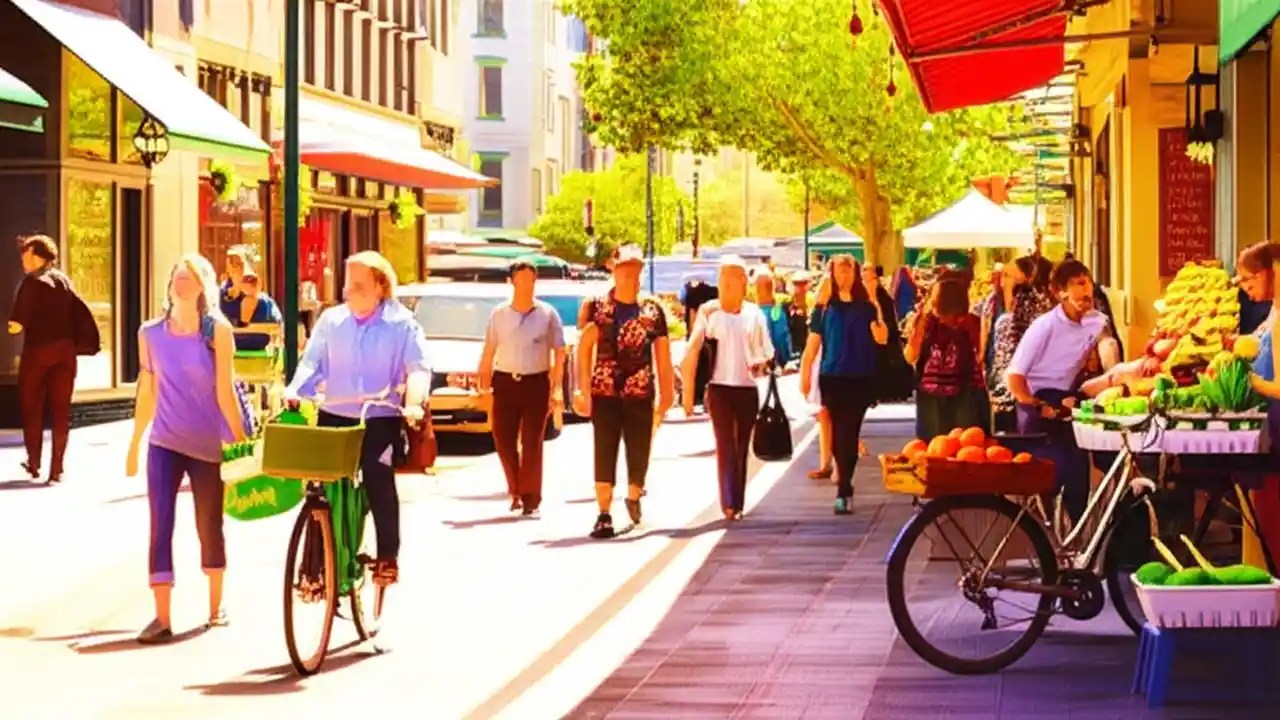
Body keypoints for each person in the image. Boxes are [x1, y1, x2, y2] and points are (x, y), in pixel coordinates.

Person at [286, 251, 430, 590]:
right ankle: (314, 567)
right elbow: (311, 363)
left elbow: (418, 369)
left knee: (379, 476)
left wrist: (412, 404)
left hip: (379, 419)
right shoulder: (332, 320)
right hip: (334, 414)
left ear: (380, 286)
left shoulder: (402, 323)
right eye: (347, 285)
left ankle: (387, 558)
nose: (349, 293)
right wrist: (295, 390)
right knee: (316, 486)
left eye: (358, 286)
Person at [124, 254, 247, 643]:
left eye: (190, 278)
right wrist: (134, 443)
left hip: (207, 445)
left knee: (209, 525)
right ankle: (161, 618)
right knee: (160, 525)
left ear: (203, 287)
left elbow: (225, 392)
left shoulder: (218, 332)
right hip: (164, 442)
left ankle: (215, 607)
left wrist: (242, 442)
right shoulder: (150, 333)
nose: (181, 283)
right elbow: (148, 390)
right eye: (177, 276)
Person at [574, 245, 675, 539]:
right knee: (604, 449)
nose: (631, 276)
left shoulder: (651, 311)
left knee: (639, 447)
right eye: (624, 270)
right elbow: (584, 347)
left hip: (640, 390)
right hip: (604, 390)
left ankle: (633, 496)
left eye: (636, 270)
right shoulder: (597, 307)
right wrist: (581, 388)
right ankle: (604, 512)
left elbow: (663, 352)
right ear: (613, 271)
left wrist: (668, 392)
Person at [1005, 259, 1117, 521]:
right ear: (1059, 293)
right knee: (1060, 471)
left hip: (1068, 400)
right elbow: (1015, 378)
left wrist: (1113, 376)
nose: (1085, 290)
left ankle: (1083, 533)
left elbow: (1106, 348)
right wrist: (1038, 406)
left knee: (1092, 463)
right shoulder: (1044, 326)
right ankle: (1054, 532)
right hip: (1037, 403)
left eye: (1088, 283)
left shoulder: (1098, 321)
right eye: (1077, 284)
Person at [681, 257, 773, 520]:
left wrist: (761, 366)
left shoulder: (753, 313)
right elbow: (694, 346)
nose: (723, 285)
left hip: (746, 388)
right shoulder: (709, 311)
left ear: (742, 282)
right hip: (719, 388)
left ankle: (739, 502)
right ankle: (728, 504)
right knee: (725, 445)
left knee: (741, 445)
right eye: (721, 279)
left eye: (729, 280)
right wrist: (688, 390)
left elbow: (764, 352)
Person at [799, 254, 889, 515]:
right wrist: (805, 373)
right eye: (840, 270)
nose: (844, 275)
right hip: (833, 377)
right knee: (839, 435)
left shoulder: (866, 307)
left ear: (856, 274)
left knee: (851, 432)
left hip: (860, 377)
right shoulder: (824, 309)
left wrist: (875, 302)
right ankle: (844, 489)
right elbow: (813, 344)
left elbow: (881, 338)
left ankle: (845, 484)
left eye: (849, 270)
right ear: (832, 275)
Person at [477, 260, 566, 517]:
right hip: (505, 381)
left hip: (536, 382)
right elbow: (489, 349)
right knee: (503, 439)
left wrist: (557, 387)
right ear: (512, 282)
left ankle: (530, 497)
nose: (526, 284)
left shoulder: (548, 314)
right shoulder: (499, 314)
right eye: (521, 279)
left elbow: (559, 352)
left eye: (531, 279)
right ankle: (515, 488)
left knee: (532, 441)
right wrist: (482, 380)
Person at [8, 235, 83, 483]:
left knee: (32, 407)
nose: (22, 261)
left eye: (25, 256)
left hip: (38, 352)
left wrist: (10, 327)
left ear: (37, 256)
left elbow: (17, 326)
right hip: (65, 352)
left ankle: (34, 462)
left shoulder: (32, 283)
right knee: (61, 411)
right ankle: (57, 469)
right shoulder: (64, 281)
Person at [906, 278, 987, 438]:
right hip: (939, 393)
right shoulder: (927, 322)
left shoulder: (969, 323)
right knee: (945, 444)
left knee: (955, 443)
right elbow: (911, 355)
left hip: (962, 390)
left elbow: (910, 356)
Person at [227, 266, 283, 351]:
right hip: (266, 341)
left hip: (252, 342)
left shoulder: (250, 299)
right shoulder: (267, 299)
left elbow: (243, 326)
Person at [753, 270, 793, 369]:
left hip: (764, 365)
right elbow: (782, 339)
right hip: (770, 365)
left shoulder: (753, 311)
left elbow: (780, 338)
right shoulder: (775, 311)